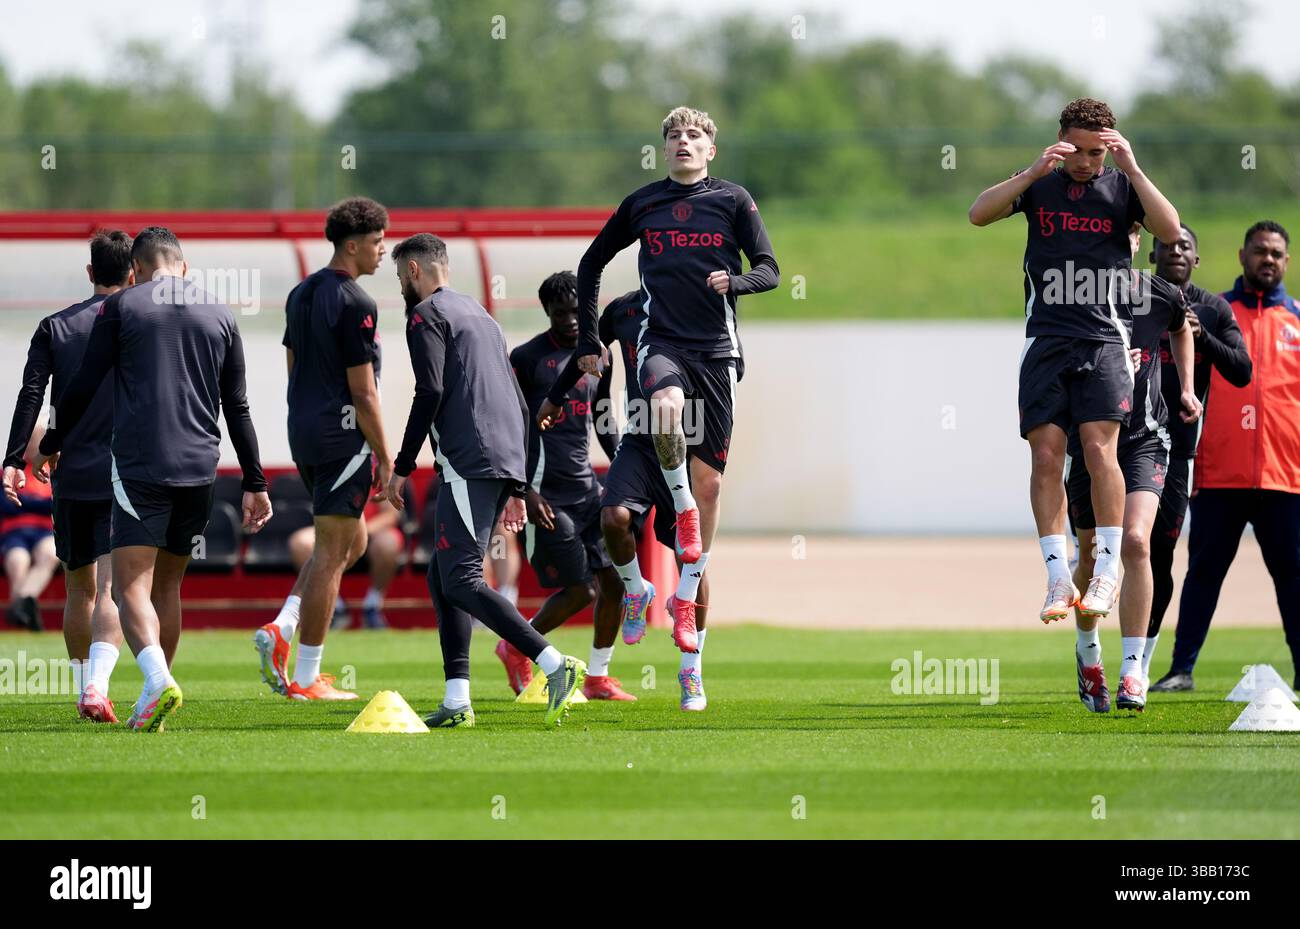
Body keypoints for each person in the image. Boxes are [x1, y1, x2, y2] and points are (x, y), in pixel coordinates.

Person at [34, 226, 271, 732]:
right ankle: (153, 697)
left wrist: (53, 442)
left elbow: (81, 386)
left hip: (141, 467)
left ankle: (157, 680)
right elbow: (239, 407)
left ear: (136, 270)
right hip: (201, 469)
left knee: (127, 588)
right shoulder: (221, 313)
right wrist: (256, 481)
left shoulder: (121, 308)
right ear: (184, 266)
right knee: (169, 586)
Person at [968, 97, 1181, 625]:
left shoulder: (1122, 188)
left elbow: (1171, 230)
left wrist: (1132, 166)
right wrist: (1033, 170)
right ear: (1061, 143)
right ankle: (1058, 575)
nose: (1086, 162)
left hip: (1104, 342)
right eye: (1077, 151)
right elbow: (978, 213)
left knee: (1097, 449)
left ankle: (1106, 570)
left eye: (1095, 153)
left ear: (1108, 150)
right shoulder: (1040, 184)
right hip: (1046, 341)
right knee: (1046, 456)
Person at [575, 105, 779, 656]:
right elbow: (590, 264)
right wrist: (588, 339)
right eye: (674, 136)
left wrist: (734, 282)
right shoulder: (642, 203)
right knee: (663, 406)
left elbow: (771, 269)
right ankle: (681, 510)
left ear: (711, 149)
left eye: (694, 135)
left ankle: (685, 602)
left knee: (712, 485)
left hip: (717, 353)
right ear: (663, 149)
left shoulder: (733, 199)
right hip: (662, 344)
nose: (683, 141)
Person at [384, 233, 585, 729]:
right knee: (443, 576)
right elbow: (518, 401)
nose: (400, 288)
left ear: (413, 270)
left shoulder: (425, 315)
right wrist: (516, 483)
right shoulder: (481, 315)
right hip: (498, 458)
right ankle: (457, 700)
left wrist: (402, 464)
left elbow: (428, 389)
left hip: (468, 460)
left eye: (398, 277)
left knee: (461, 578)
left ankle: (555, 665)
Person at [1153, 221, 1300, 692]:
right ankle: (1181, 670)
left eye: (1277, 253)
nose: (1268, 260)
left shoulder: (1296, 321)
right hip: (1219, 473)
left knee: (1293, 580)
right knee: (1202, 576)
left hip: (1286, 477)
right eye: (1260, 251)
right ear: (1242, 256)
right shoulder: (1215, 310)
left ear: (1287, 261)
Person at [255, 197, 392, 701]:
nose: (384, 251)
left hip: (305, 433)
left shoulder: (300, 293)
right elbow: (363, 392)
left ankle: (282, 628)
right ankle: (308, 678)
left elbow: (294, 367)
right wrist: (386, 455)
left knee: (352, 544)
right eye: (378, 242)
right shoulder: (358, 303)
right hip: (342, 439)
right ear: (352, 245)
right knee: (334, 554)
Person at [549, 289, 713, 710]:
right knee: (614, 518)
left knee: (690, 558)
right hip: (640, 441)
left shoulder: (699, 301)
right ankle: (637, 589)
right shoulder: (620, 311)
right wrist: (557, 397)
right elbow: (592, 363)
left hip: (692, 440)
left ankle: (691, 671)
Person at [1064, 225, 1200, 713]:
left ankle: (1132, 671)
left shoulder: (1155, 292)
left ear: (1137, 241)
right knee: (1089, 555)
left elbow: (1182, 326)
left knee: (1137, 543)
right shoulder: (1074, 295)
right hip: (1092, 445)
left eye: (1128, 235)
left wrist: (1186, 387)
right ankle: (1087, 651)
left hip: (1145, 439)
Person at [3, 230, 132, 720]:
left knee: (80, 588)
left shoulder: (54, 327)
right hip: (125, 473)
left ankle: (83, 689)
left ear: (90, 272)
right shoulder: (140, 326)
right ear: (134, 272)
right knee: (112, 586)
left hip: (70, 471)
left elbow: (30, 395)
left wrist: (15, 459)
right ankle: (98, 686)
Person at [495, 271, 633, 701]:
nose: (572, 320)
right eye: (561, 313)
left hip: (588, 491)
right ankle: (517, 646)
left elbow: (605, 421)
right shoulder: (526, 359)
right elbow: (507, 426)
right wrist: (523, 491)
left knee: (614, 586)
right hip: (545, 494)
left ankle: (597, 677)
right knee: (581, 590)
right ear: (546, 313)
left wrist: (626, 470)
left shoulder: (601, 358)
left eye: (578, 312)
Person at [1142, 226, 1252, 684]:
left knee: (1159, 555)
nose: (1176, 251)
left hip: (1176, 450)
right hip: (1127, 440)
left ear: (1197, 259)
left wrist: (1201, 336)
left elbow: (1243, 371)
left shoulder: (1212, 309)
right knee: (1106, 545)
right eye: (1168, 245)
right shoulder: (1132, 298)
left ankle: (1140, 664)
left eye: (1185, 246)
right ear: (1153, 253)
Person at [285, 496, 405, 630]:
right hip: (332, 531)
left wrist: (360, 533)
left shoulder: (381, 475)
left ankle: (372, 606)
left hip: (373, 534)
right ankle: (336, 609)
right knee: (300, 543)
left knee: (388, 544)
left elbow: (390, 515)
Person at [2, 433, 57, 632]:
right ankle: (25, 617)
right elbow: (6, 505)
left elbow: (56, 505)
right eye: (32, 440)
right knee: (18, 561)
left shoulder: (54, 469)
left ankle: (22, 604)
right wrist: (40, 503)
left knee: (50, 554)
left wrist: (25, 502)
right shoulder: (11, 469)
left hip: (44, 531)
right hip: (14, 532)